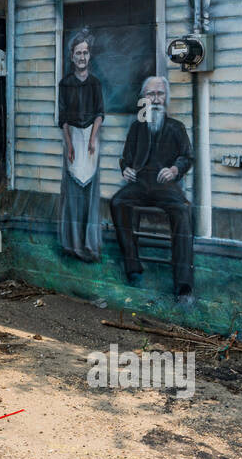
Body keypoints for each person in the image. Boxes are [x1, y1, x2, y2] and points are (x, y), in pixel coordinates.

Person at [110, 75, 195, 301]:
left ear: (166, 98)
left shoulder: (177, 128)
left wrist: (175, 170)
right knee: (117, 202)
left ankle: (183, 285)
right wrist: (126, 168)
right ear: (144, 99)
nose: (156, 99)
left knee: (184, 211)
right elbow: (125, 158)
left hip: (165, 185)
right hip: (140, 183)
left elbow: (187, 157)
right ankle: (133, 268)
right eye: (151, 94)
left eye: (160, 94)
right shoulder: (137, 128)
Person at [57, 28, 105, 262]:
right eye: (78, 53)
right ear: (72, 56)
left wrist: (93, 139)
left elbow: (99, 113)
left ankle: (90, 245)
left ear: (89, 55)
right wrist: (70, 146)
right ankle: (71, 244)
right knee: (73, 194)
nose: (82, 57)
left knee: (90, 193)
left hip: (91, 140)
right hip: (73, 138)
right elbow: (63, 118)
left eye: (85, 53)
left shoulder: (95, 83)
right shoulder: (65, 84)